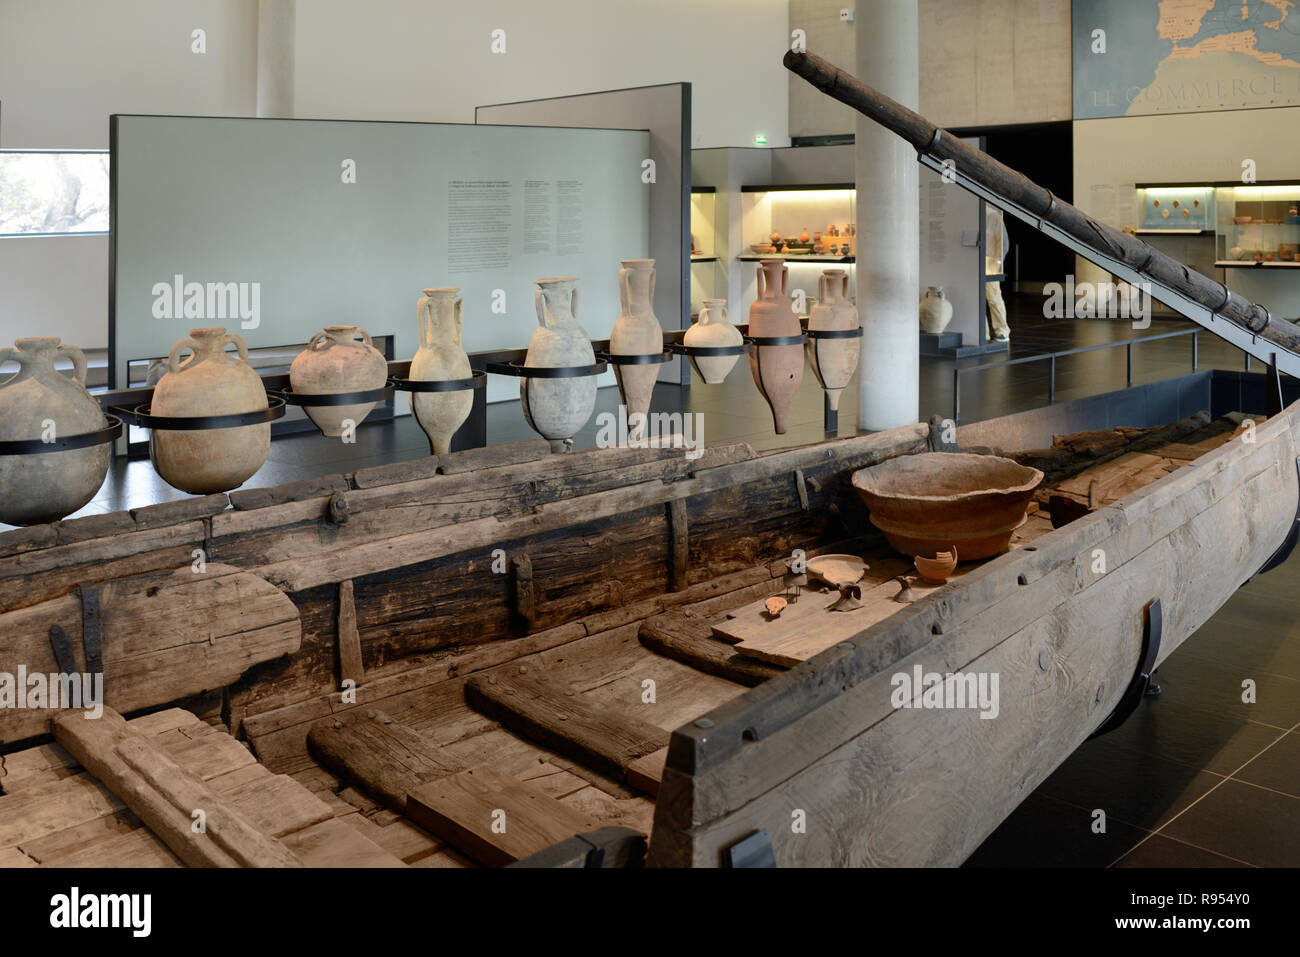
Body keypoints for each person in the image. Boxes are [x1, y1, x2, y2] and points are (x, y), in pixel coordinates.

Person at [985, 206, 1011, 343]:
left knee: (993, 296)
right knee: (975, 298)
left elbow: (1003, 242)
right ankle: (983, 332)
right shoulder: (970, 213)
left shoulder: (993, 216)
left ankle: (1002, 330)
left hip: (990, 262)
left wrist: (998, 260)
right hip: (973, 259)